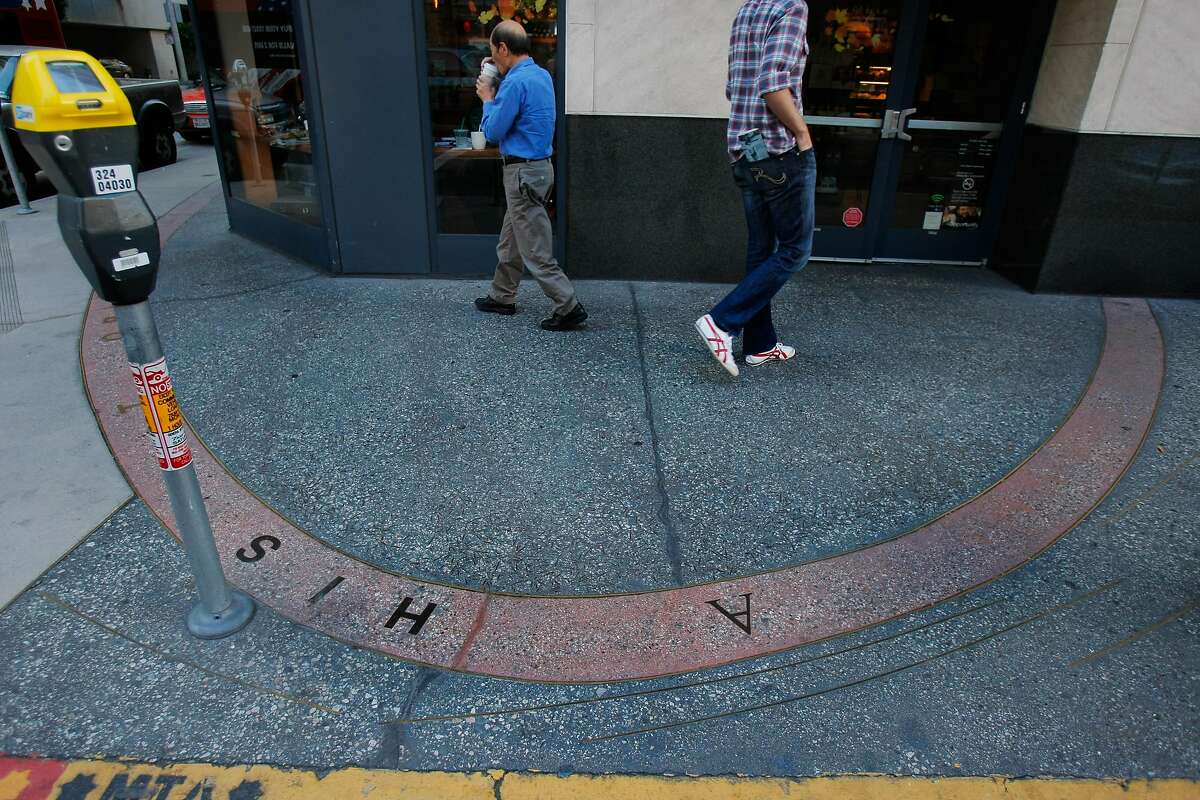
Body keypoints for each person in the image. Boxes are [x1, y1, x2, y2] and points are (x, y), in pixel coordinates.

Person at [695, 0, 816, 377]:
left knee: (762, 248)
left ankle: (760, 345)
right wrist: (802, 133)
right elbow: (773, 85)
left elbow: (735, 87)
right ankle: (721, 322)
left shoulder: (749, 9)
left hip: (746, 148)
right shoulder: (792, 7)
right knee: (796, 249)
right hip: (779, 151)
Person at [473, 21, 587, 332]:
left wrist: (487, 98)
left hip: (521, 172)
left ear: (504, 48)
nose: (493, 58)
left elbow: (494, 130)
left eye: (494, 52)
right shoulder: (541, 76)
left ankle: (568, 306)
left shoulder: (513, 83)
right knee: (511, 239)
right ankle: (502, 295)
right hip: (538, 169)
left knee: (534, 247)